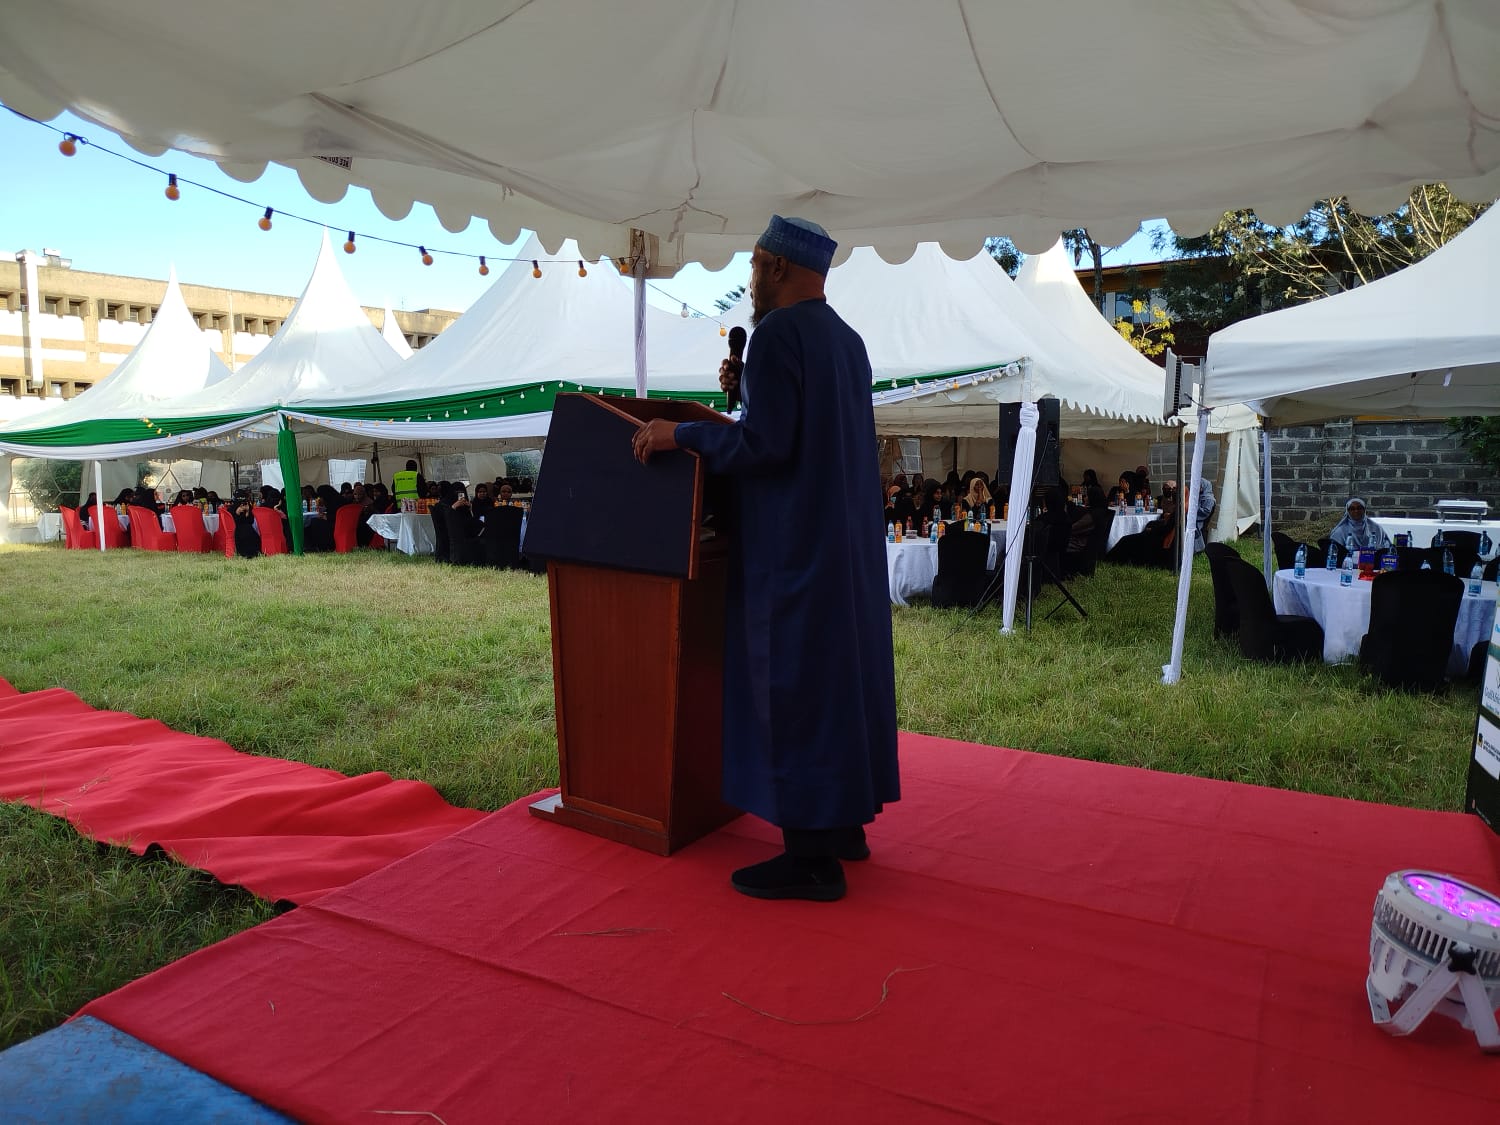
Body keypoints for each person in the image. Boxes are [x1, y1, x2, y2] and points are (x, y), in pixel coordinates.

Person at [631, 215, 899, 903]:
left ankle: (810, 859)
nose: (749, 281)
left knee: (793, 688)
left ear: (777, 267)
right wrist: (745, 388)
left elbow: (767, 449)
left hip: (793, 548)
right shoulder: (848, 341)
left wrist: (676, 433)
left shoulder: (780, 333)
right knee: (836, 685)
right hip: (843, 548)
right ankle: (841, 826)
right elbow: (799, 430)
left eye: (753, 267)